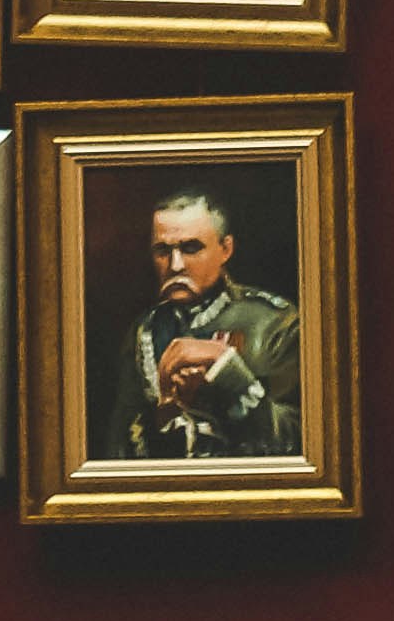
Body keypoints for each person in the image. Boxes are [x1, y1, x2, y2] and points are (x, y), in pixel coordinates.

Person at [119, 187, 303, 457]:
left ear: (225, 249)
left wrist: (231, 377)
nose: (175, 265)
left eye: (191, 248)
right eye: (162, 251)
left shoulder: (274, 321)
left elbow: (302, 441)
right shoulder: (145, 329)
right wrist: (164, 415)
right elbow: (117, 448)